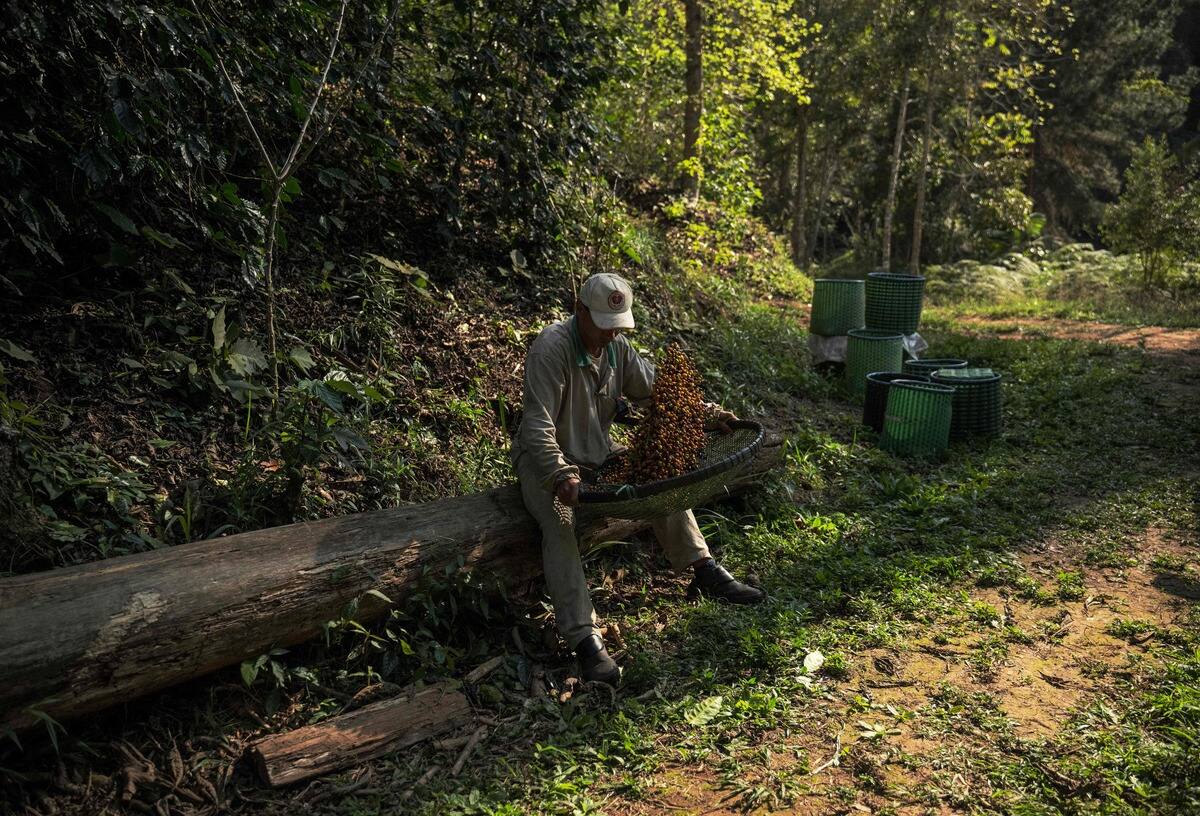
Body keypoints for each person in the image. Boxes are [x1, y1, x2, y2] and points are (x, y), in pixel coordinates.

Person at [511, 272, 765, 685]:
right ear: (579, 311)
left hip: (600, 459)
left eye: (618, 328)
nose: (610, 336)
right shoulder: (552, 348)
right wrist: (560, 474)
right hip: (545, 465)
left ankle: (704, 569)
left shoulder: (617, 350)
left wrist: (710, 414)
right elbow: (536, 425)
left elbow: (663, 394)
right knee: (559, 524)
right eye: (603, 326)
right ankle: (584, 640)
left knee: (659, 479)